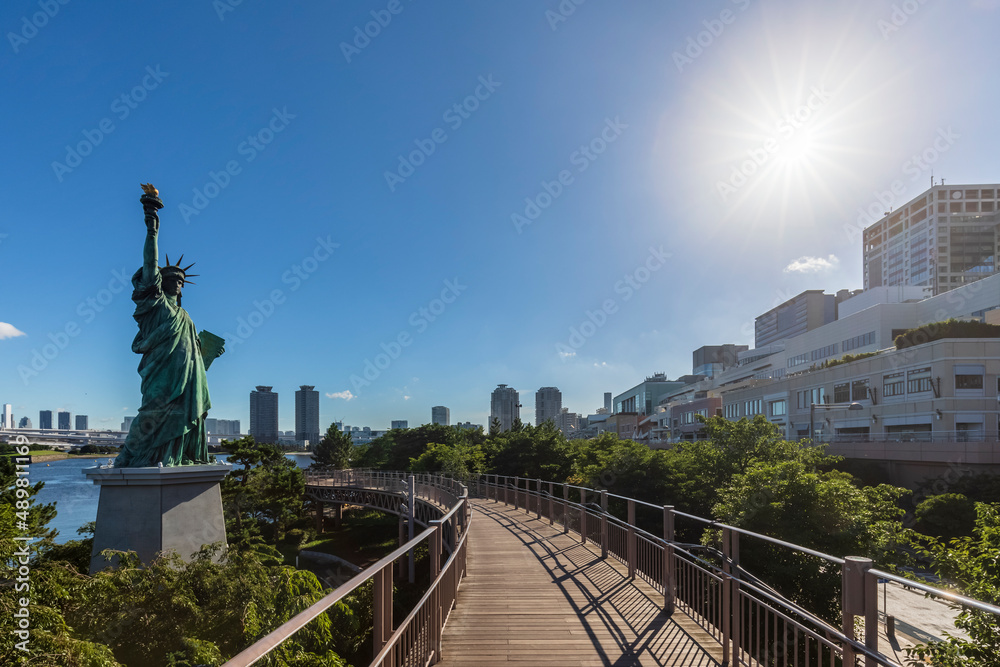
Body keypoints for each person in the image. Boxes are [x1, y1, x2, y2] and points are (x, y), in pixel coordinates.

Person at [114, 184, 223, 467]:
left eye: (181, 279)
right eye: (171, 277)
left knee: (184, 415)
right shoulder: (155, 305)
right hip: (161, 375)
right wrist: (152, 225)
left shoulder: (186, 317)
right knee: (152, 412)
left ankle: (179, 455)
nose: (177, 280)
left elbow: (194, 358)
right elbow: (150, 262)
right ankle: (129, 456)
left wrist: (207, 354)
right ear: (161, 281)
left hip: (187, 380)